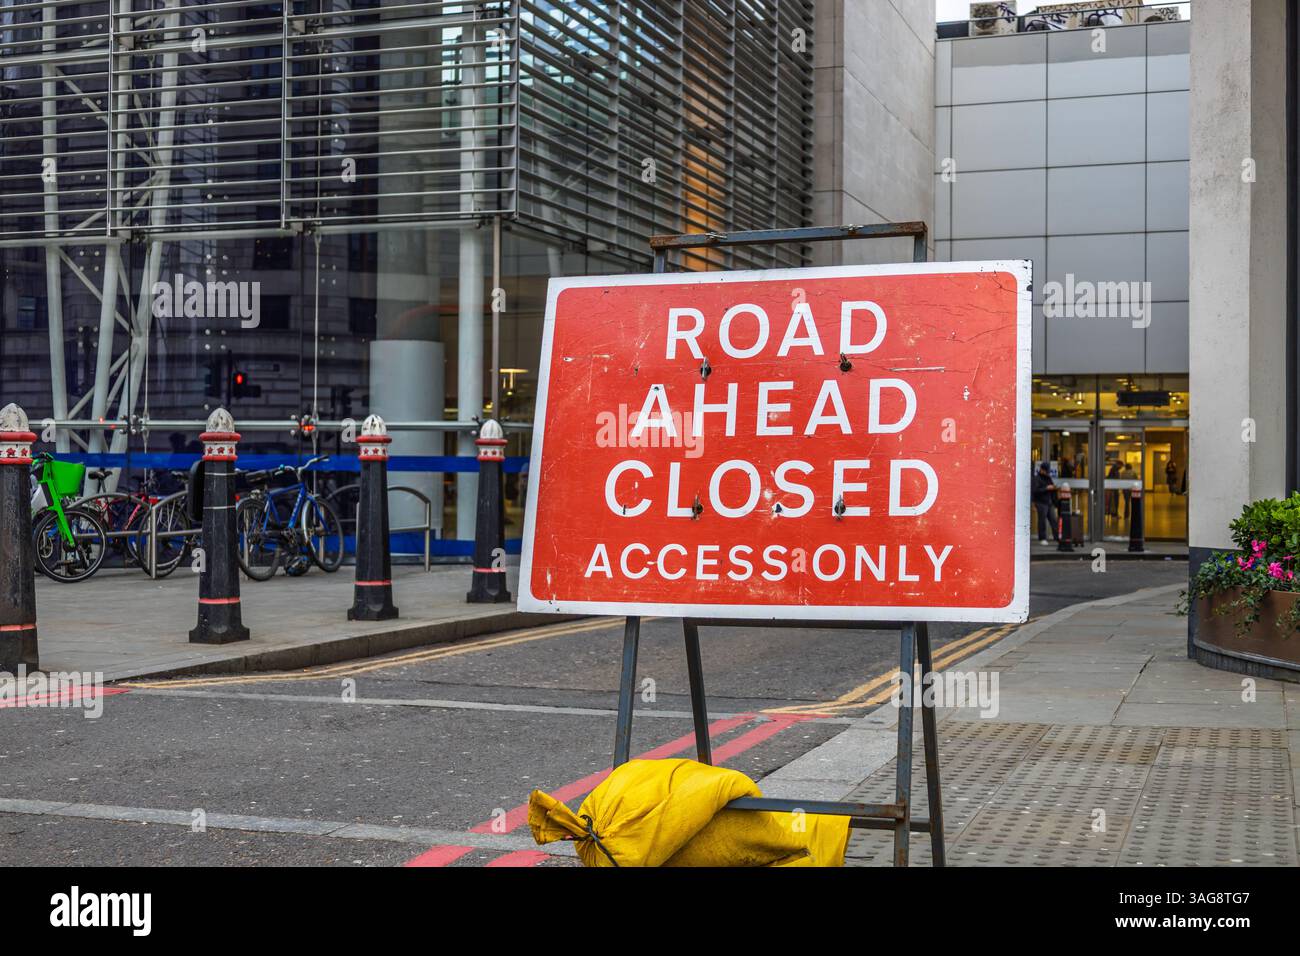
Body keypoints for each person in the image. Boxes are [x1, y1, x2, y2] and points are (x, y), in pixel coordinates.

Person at [1031, 463, 1058, 545]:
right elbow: (1035, 491)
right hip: (1041, 502)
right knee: (1042, 521)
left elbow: (1052, 488)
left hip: (1049, 502)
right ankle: (1042, 538)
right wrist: (1046, 488)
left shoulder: (1048, 478)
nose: (1047, 473)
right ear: (1042, 470)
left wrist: (1053, 489)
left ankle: (1057, 537)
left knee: (1053, 520)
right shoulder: (1037, 479)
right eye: (1046, 471)